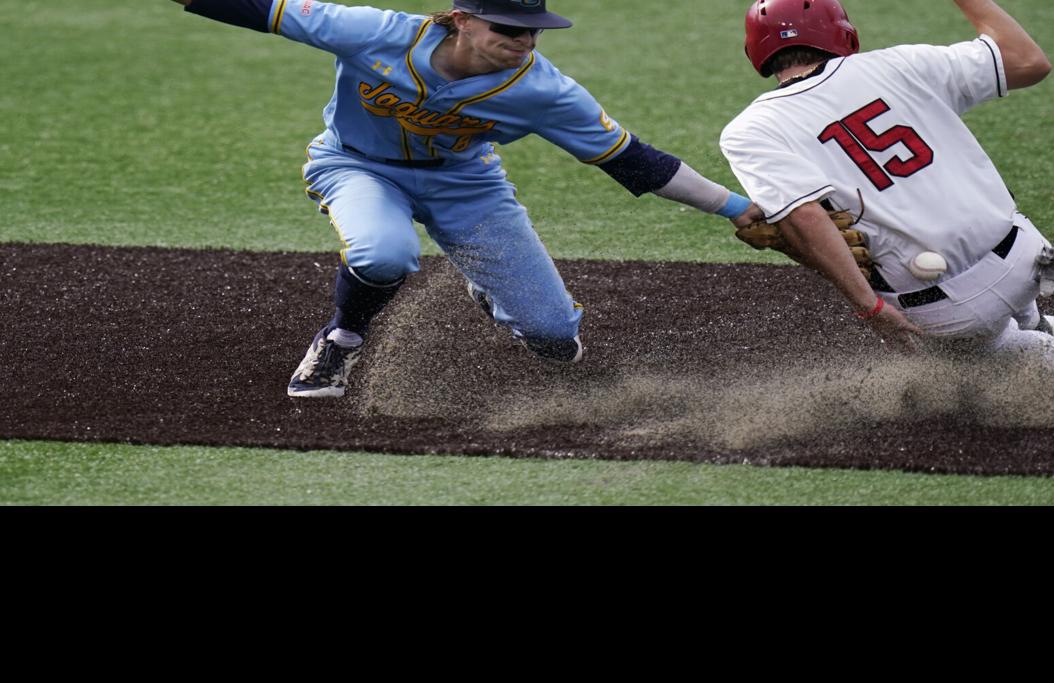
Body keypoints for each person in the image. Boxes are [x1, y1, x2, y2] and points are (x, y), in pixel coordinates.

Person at [170, 0, 758, 398]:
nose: (523, 40)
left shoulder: (544, 91)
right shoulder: (376, 33)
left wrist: (735, 208)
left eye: (531, 29)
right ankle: (341, 340)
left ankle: (488, 280)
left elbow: (631, 158)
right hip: (357, 167)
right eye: (507, 28)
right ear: (461, 21)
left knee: (556, 341)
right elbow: (258, 7)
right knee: (384, 255)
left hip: (467, 186)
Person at [719, 0, 1054, 385]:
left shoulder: (749, 130)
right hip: (1032, 258)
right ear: (842, 32)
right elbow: (1028, 61)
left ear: (756, 52)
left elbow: (805, 220)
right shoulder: (898, 63)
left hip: (950, 306)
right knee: (1017, 318)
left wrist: (871, 309)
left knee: (980, 361)